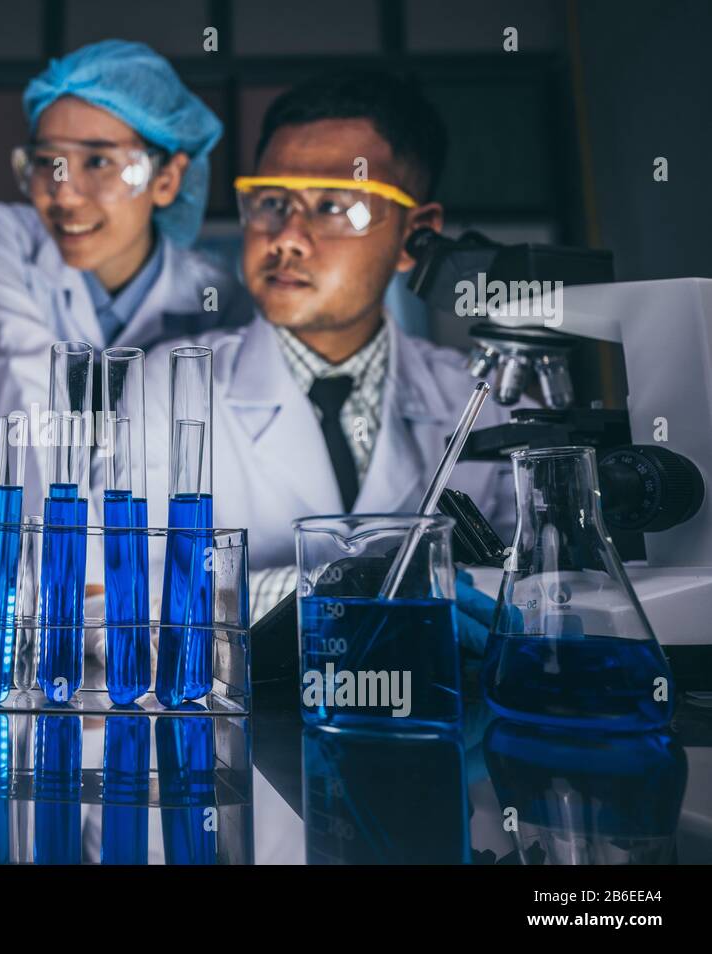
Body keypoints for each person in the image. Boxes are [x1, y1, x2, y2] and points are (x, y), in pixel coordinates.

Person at [141, 71, 513, 653]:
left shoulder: (485, 400)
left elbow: (544, 592)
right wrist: (335, 595)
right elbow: (103, 595)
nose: (287, 238)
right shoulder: (168, 385)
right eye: (271, 202)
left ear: (416, 235)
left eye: (335, 205)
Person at [0, 40, 252, 511]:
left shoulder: (216, 296)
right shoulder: (7, 237)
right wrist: (72, 565)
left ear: (166, 180)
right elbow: (26, 381)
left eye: (97, 162)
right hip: (35, 543)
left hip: (154, 559)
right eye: (45, 162)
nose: (64, 196)